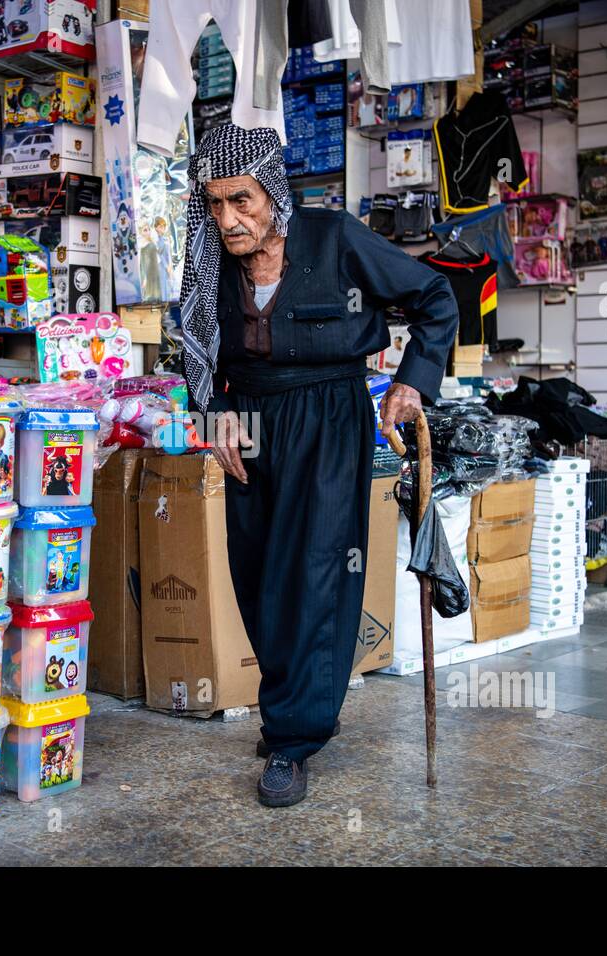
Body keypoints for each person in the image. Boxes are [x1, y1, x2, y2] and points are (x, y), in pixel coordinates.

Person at [180, 123, 458, 807]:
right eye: (214, 204)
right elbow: (200, 345)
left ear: (271, 190)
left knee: (315, 572)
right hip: (249, 414)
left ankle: (295, 738)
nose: (228, 219)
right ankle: (291, 706)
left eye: (241, 200)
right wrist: (213, 410)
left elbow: (434, 300)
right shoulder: (213, 258)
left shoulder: (334, 238)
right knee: (256, 572)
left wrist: (412, 381)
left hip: (329, 415)